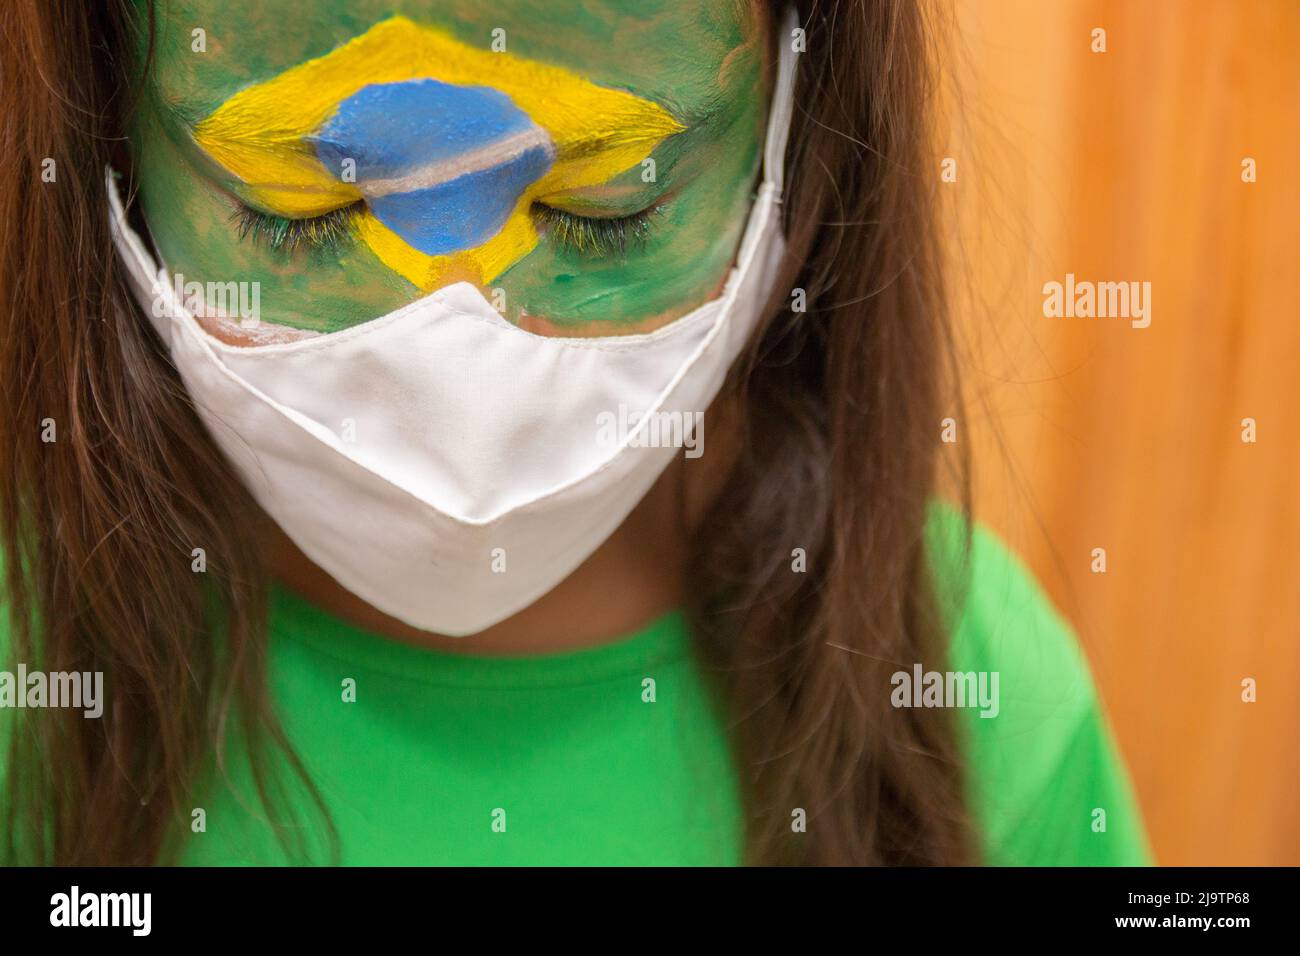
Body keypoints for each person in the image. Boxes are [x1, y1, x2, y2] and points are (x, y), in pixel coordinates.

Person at [0, 0, 1151, 866]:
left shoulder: (974, 694)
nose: (453, 354)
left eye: (608, 208)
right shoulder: (26, 661)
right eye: (296, 208)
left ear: (796, 131)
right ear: (106, 125)